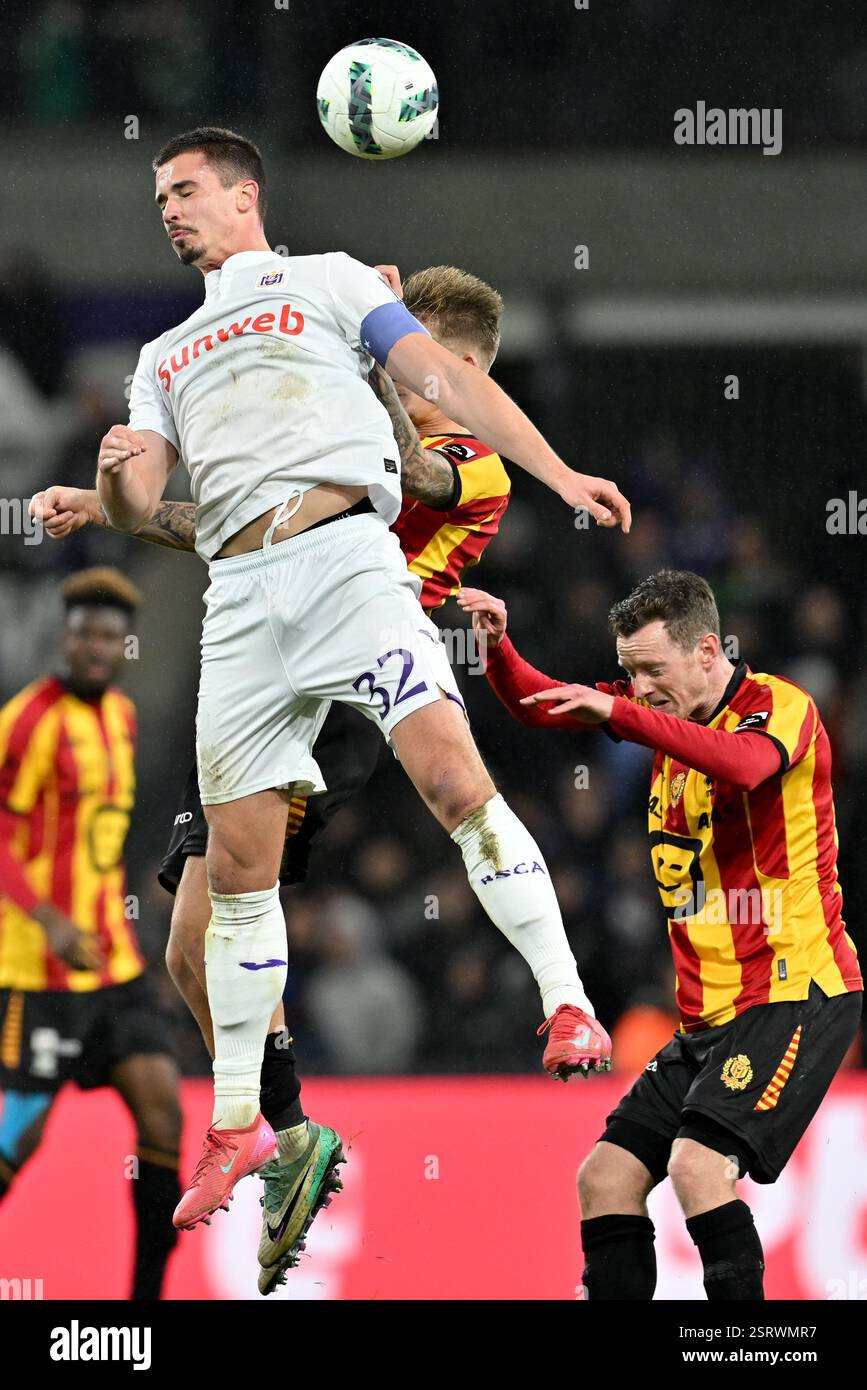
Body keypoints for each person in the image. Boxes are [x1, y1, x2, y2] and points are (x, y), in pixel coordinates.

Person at [88, 124, 631, 1233]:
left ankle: (568, 1003)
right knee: (229, 885)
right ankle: (240, 1123)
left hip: (347, 565)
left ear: (247, 196)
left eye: (185, 188)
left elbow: (441, 386)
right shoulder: (164, 357)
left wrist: (562, 470)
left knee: (454, 785)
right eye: (159, 197)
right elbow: (145, 504)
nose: (169, 208)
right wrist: (115, 487)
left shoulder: (331, 286)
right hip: (238, 602)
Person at [461, 569, 862, 1300]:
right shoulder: (651, 711)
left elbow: (742, 766)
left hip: (793, 990)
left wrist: (616, 714)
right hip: (707, 1014)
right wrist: (498, 650)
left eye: (653, 670)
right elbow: (537, 706)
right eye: (628, 673)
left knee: (695, 1166)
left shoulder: (779, 706)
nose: (638, 688)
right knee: (605, 1178)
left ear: (708, 650)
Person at [0, 568, 182, 1300]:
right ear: (64, 637)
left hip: (114, 964)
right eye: (85, 634)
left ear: (123, 645)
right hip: (40, 968)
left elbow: (102, 839)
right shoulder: (28, 720)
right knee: (21, 1138)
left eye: (110, 636)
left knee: (164, 1118)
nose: (97, 647)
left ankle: (144, 1311)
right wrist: (47, 916)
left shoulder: (122, 719)